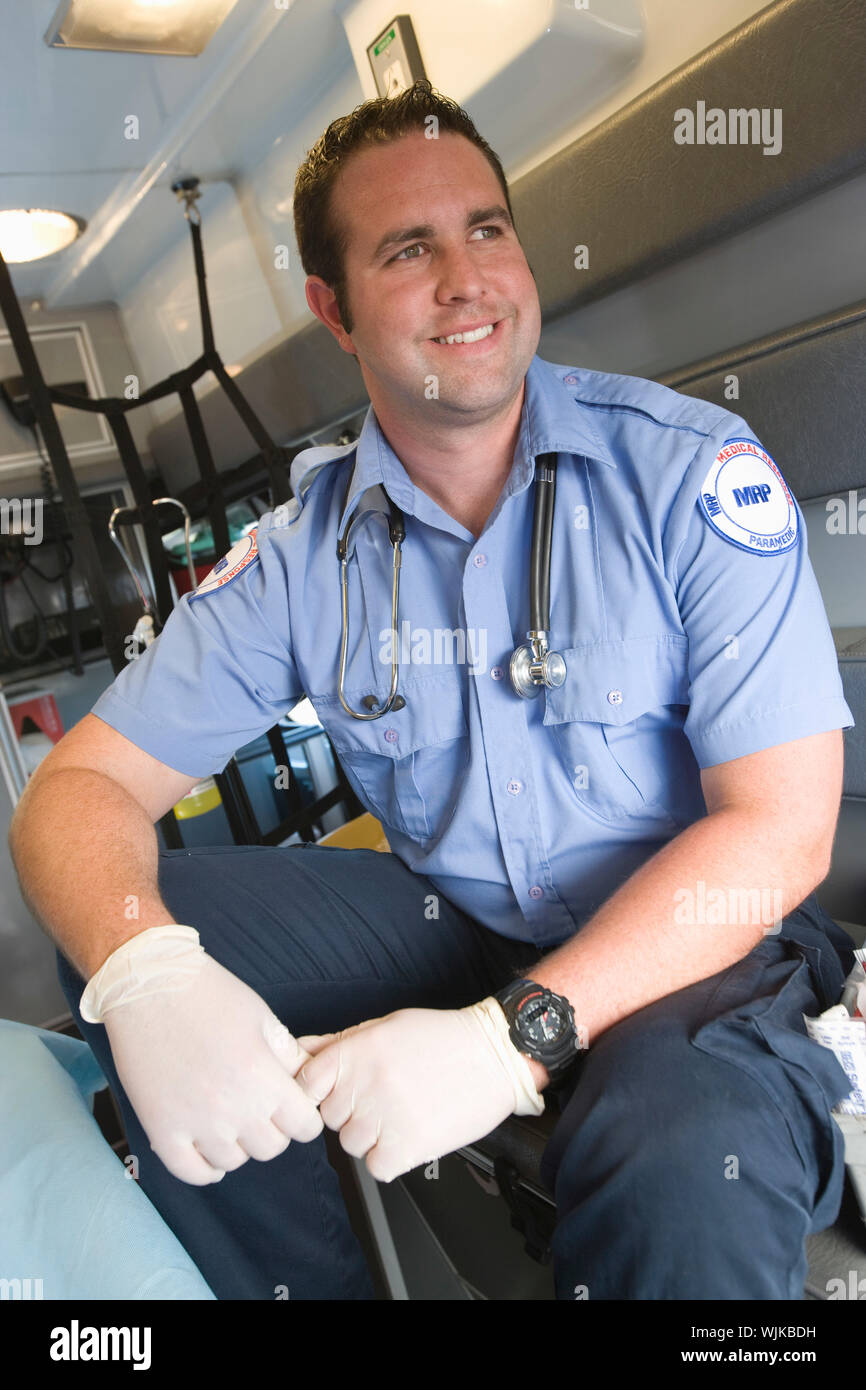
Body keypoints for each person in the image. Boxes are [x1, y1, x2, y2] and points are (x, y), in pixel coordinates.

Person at [9, 80, 857, 1301]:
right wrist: (148, 971)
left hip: (701, 940)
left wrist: (507, 1043)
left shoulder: (687, 475)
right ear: (334, 310)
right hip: (461, 926)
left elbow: (775, 831)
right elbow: (75, 789)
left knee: (676, 1154)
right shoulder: (302, 558)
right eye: (409, 250)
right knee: (128, 925)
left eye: (487, 229)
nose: (466, 278)